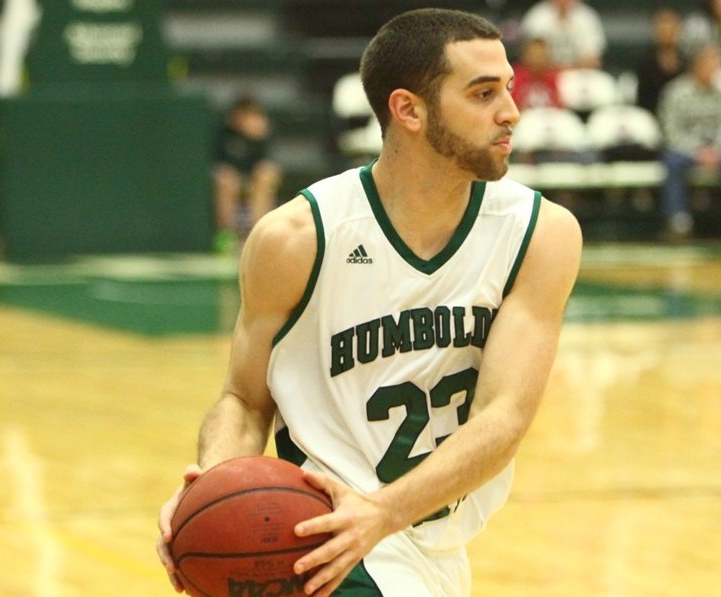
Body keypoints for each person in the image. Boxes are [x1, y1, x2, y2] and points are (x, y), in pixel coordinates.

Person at [156, 8, 582, 597]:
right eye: (483, 93)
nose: (511, 110)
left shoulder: (539, 233)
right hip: (326, 534)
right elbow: (245, 400)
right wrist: (215, 490)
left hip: (426, 537)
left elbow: (502, 417)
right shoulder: (298, 239)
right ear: (408, 109)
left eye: (506, 88)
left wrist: (385, 513)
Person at [657, 42, 721, 241]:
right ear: (696, 67)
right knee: (670, 160)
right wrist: (697, 151)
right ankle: (678, 222)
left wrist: (718, 150)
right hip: (686, 150)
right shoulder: (675, 92)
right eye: (710, 64)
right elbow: (670, 131)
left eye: (717, 65)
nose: (714, 70)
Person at [214, 94, 283, 253]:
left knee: (266, 175)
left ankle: (258, 234)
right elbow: (217, 161)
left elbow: (268, 161)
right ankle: (226, 236)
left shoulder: (263, 133)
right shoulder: (223, 131)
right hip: (230, 179)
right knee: (226, 179)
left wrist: (257, 138)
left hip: (253, 179)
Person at [520, 0, 606, 69]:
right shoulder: (537, 17)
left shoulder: (587, 18)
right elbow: (531, 58)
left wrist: (566, 69)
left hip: (579, 75)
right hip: (545, 75)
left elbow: (593, 59)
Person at [634, 7, 686, 116]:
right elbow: (641, 100)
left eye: (671, 24)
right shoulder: (644, 63)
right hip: (651, 118)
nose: (667, 30)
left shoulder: (689, 62)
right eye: (662, 24)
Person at [511, 36, 563, 111]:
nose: (537, 59)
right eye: (534, 54)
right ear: (526, 55)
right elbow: (512, 105)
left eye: (541, 55)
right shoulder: (516, 76)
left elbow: (560, 107)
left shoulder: (554, 77)